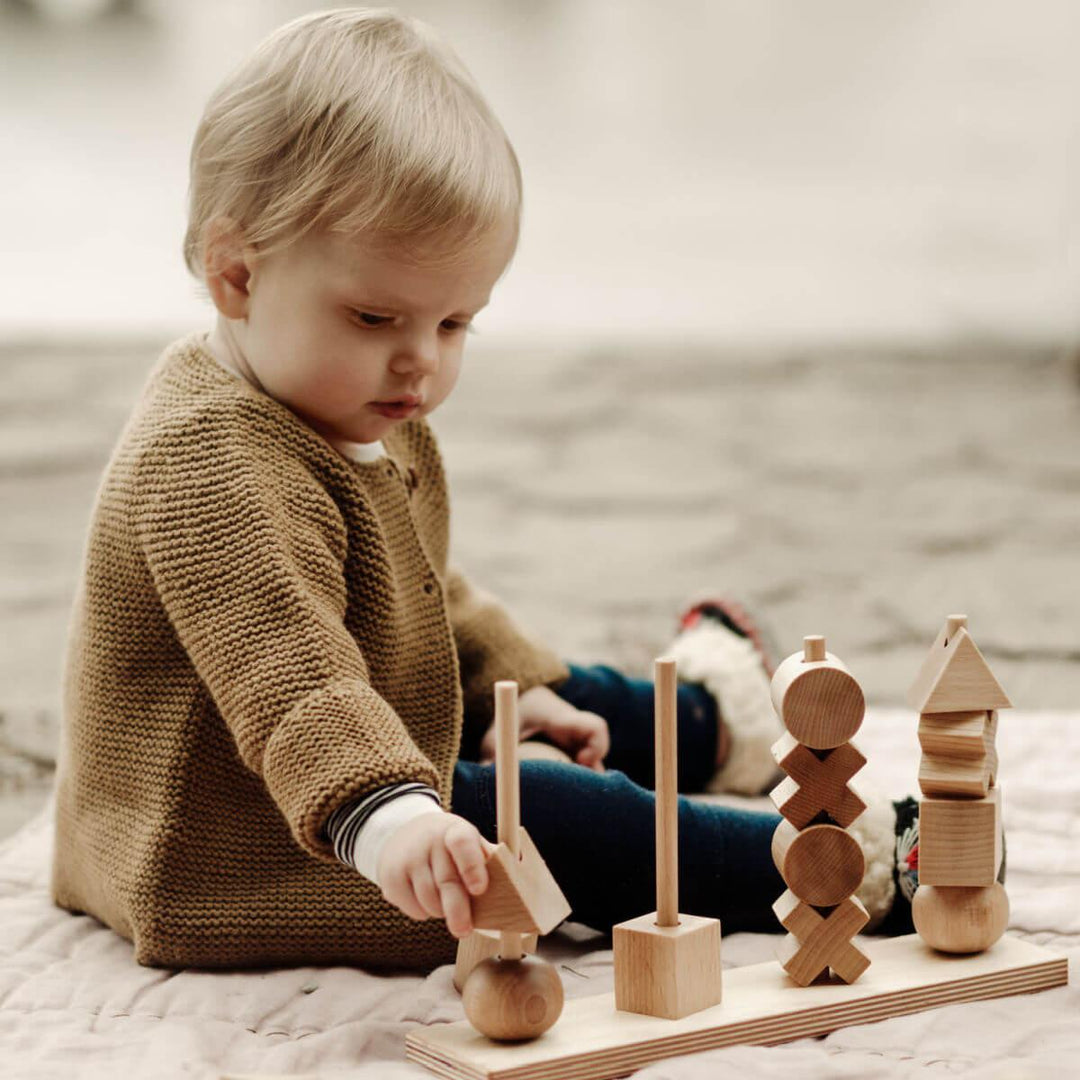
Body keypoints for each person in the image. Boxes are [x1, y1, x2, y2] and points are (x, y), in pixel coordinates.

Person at [50, 8, 918, 972]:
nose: (419, 363)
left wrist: (520, 689)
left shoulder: (349, 398)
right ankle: (833, 867)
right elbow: (296, 686)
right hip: (238, 844)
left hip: (354, 751)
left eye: (457, 322)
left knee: (563, 698)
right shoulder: (209, 464)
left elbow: (421, 596)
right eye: (377, 315)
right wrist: (393, 819)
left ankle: (713, 723)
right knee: (549, 818)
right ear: (236, 273)